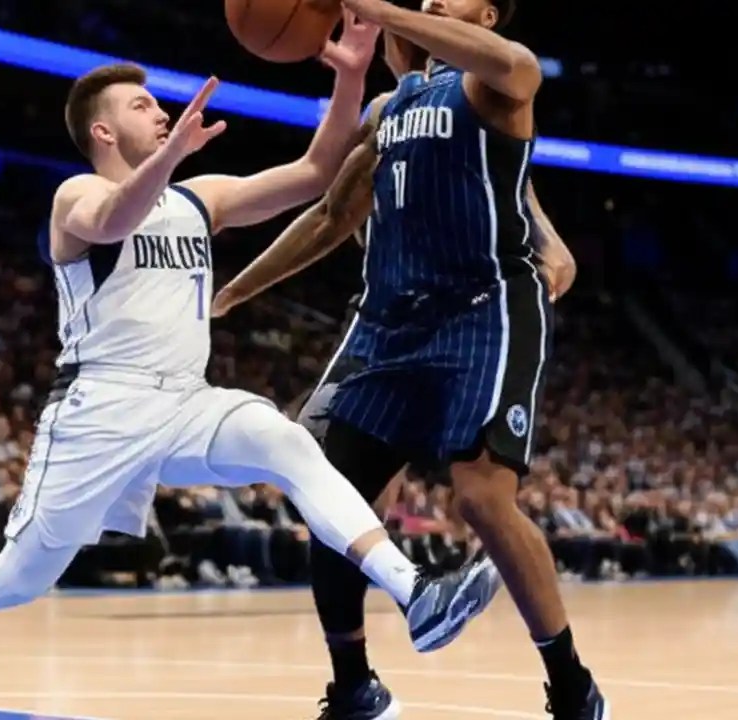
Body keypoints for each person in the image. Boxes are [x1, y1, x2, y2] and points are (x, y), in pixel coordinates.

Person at [0, 15, 502, 720]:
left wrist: (351, 77)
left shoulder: (200, 200)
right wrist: (168, 159)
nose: (162, 111)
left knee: (287, 441)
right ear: (104, 133)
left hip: (184, 405)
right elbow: (111, 218)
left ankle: (415, 592)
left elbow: (315, 175)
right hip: (98, 412)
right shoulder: (74, 196)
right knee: (18, 577)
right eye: (142, 106)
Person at [215, 1, 604, 717]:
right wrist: (235, 290)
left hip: (483, 309)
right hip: (391, 322)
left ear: (484, 12)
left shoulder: (493, 79)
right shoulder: (392, 109)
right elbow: (332, 217)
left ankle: (572, 685)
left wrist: (545, 237)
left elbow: (515, 71)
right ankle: (353, 684)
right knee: (332, 500)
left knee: (483, 498)